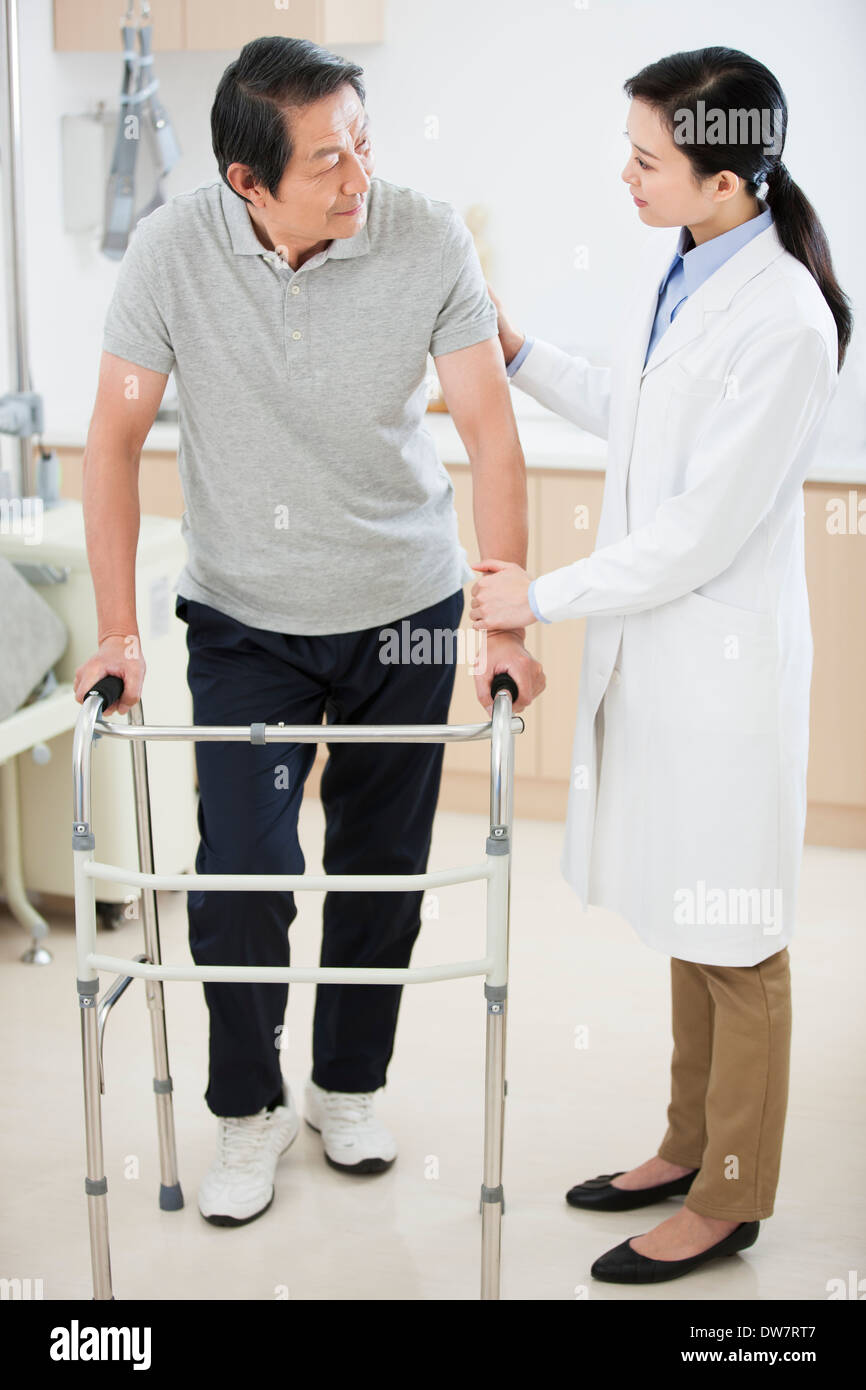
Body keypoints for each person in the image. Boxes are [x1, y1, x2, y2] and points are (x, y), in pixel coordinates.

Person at [74, 35, 544, 1229]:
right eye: (327, 161)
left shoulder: (425, 235)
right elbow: (116, 443)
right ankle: (247, 1109)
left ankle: (345, 1085)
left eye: (363, 145)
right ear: (248, 182)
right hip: (245, 621)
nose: (357, 180)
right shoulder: (174, 253)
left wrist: (500, 611)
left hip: (407, 609)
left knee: (381, 876)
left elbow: (490, 432)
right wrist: (120, 632)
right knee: (241, 875)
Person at [471, 46, 851, 1285]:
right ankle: (686, 1144)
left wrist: (545, 594)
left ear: (727, 177)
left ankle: (729, 1197)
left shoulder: (785, 318)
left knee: (737, 935)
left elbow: (697, 529)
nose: (624, 177)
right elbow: (639, 404)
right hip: (674, 663)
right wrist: (521, 353)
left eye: (646, 159)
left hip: (723, 670)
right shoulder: (691, 266)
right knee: (694, 916)